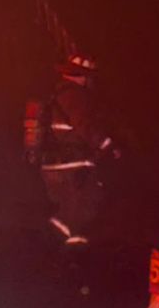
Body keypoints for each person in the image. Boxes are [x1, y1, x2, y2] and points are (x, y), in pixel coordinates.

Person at [29, 53, 118, 247]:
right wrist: (109, 147)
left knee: (73, 209)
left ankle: (72, 249)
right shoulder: (77, 96)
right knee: (87, 204)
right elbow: (87, 128)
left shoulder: (56, 95)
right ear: (83, 75)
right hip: (72, 166)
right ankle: (47, 241)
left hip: (53, 166)